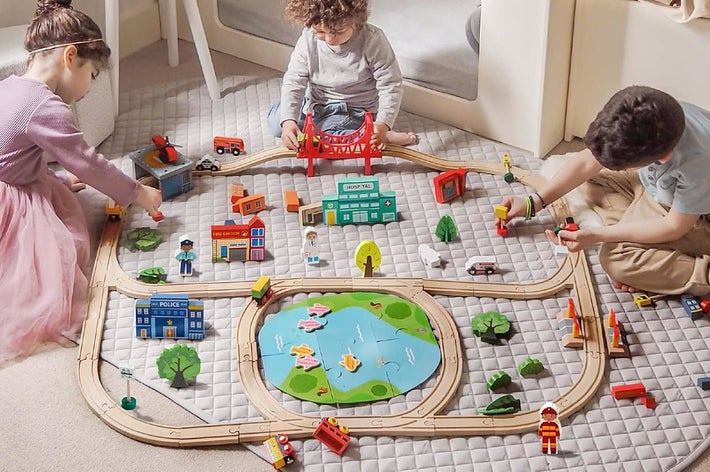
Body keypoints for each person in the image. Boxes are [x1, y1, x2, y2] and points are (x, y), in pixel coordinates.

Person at [0, 0, 162, 364]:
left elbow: (17, 150)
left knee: (58, 188)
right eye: (92, 75)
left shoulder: (11, 85)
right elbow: (90, 164)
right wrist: (137, 192)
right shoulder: (48, 108)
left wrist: (50, 175)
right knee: (60, 250)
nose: (89, 88)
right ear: (70, 57)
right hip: (10, 193)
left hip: (12, 173)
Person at [498, 86, 710, 296]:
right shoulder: (659, 115)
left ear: (662, 158)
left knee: (616, 260)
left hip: (694, 215)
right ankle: (639, 236)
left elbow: (673, 226)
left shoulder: (697, 164)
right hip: (660, 188)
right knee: (582, 181)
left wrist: (597, 235)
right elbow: (585, 163)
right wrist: (534, 201)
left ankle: (698, 274)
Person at [266, 0, 417, 151]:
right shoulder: (307, 39)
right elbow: (294, 80)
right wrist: (288, 121)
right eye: (319, 31)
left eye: (338, 31)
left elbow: (390, 84)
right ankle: (317, 126)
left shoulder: (372, 40)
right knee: (277, 124)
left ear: (356, 20)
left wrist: (384, 123)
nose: (329, 39)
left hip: (353, 111)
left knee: (332, 140)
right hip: (315, 104)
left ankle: (380, 135)